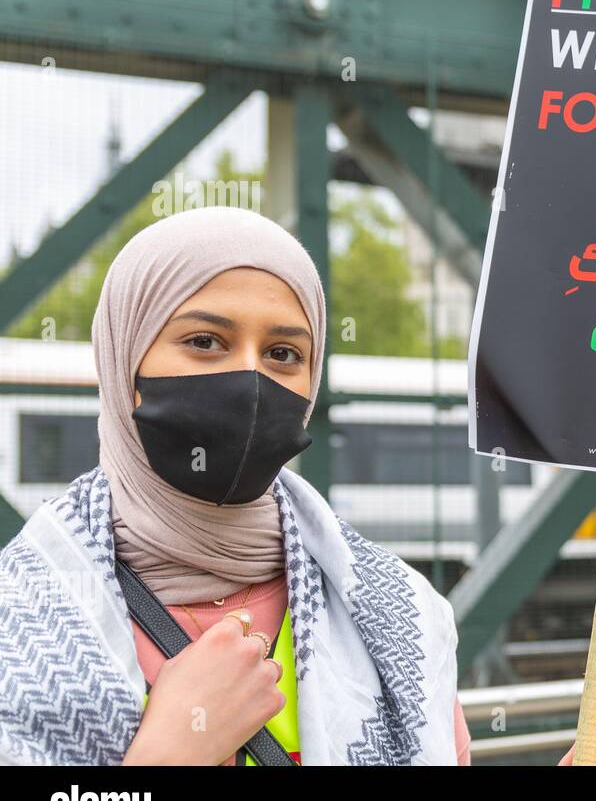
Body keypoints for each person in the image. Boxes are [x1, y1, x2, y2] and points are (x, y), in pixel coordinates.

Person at [0, 206, 484, 765]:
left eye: (283, 354)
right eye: (205, 341)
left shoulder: (403, 617)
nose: (251, 383)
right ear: (123, 360)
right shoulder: (20, 622)